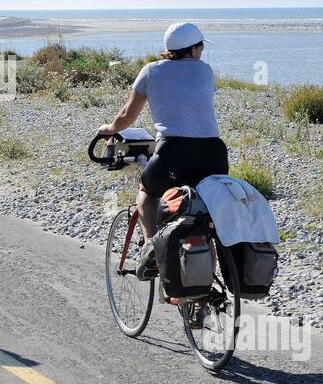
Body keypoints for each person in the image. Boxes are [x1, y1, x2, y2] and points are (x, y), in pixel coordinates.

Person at [97, 21, 228, 241]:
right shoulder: (206, 71)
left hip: (173, 152)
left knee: (147, 193)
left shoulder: (151, 71)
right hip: (214, 154)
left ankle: (152, 247)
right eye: (201, 47)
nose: (202, 52)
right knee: (205, 217)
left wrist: (109, 129)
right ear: (193, 49)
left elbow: (127, 115)